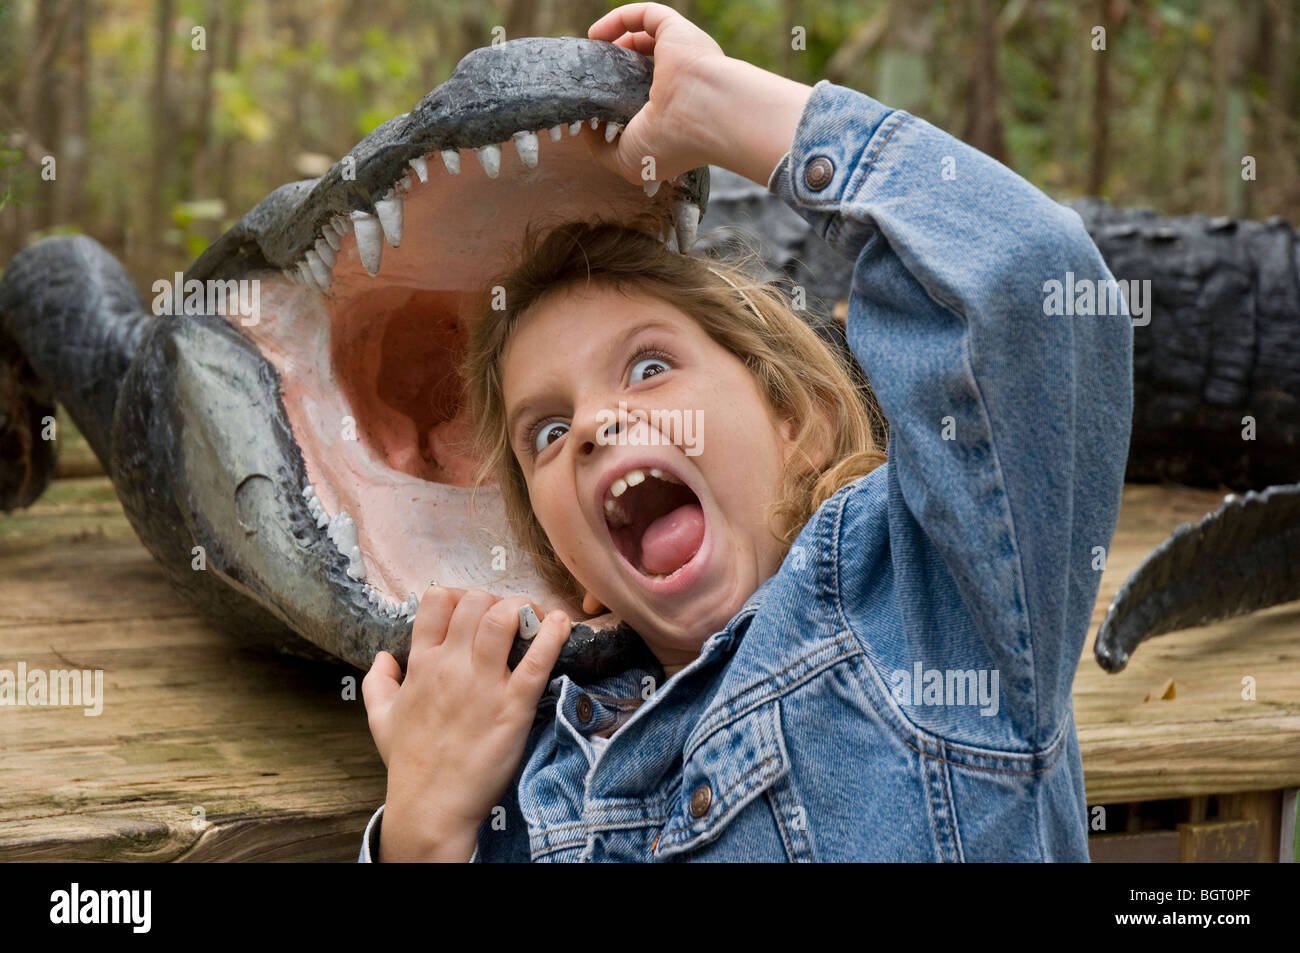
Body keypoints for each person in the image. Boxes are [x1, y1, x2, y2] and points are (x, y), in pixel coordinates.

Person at [358, 2, 1133, 862]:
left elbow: (1033, 283)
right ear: (573, 576)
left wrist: (723, 111)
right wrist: (423, 834)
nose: (594, 425)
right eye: (547, 430)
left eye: (649, 367)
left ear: (797, 420)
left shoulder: (934, 601)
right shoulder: (541, 783)